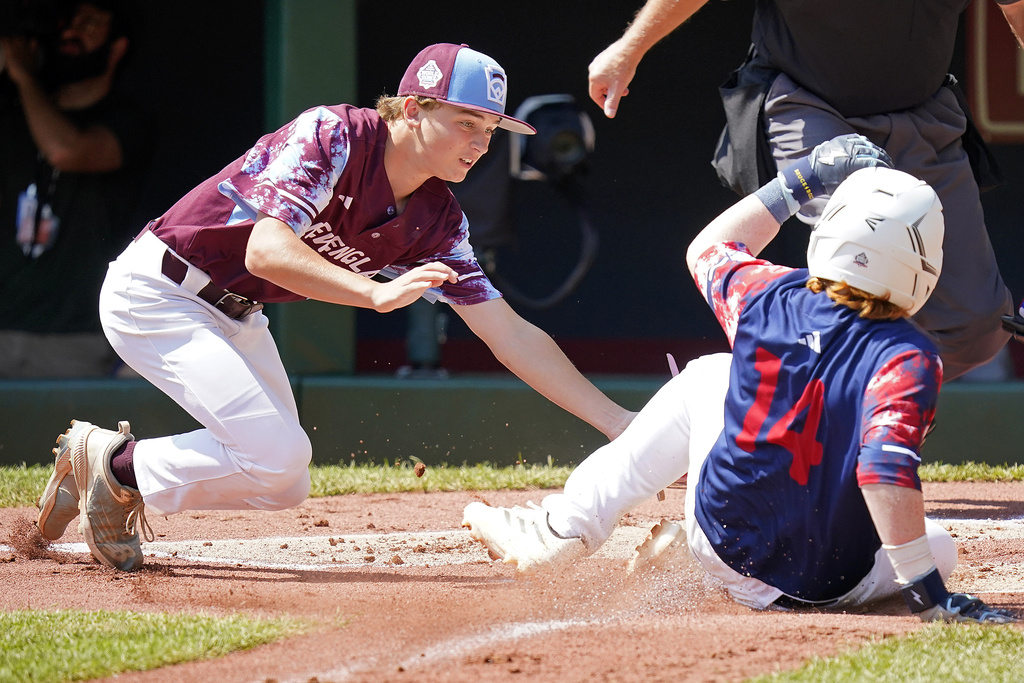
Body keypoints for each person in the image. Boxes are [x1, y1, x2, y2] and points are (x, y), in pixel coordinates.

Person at [34, 43, 637, 571]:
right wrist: (372, 293)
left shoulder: (438, 220)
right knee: (279, 453)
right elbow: (266, 249)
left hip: (234, 311)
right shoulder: (336, 135)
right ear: (411, 109)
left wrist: (622, 427)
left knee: (285, 484)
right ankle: (115, 467)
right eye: (467, 122)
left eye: (491, 130)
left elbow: (510, 334)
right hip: (159, 290)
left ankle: (118, 471)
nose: (481, 144)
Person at [463, 134, 1019, 623]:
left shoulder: (767, 294)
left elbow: (707, 248)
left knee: (712, 375)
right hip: (833, 582)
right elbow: (882, 469)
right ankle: (684, 562)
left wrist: (801, 179)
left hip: (727, 551)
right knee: (937, 547)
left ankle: (565, 528)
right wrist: (927, 590)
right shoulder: (913, 356)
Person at [586, 0, 1024, 381]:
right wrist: (630, 48)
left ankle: (827, 399)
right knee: (863, 273)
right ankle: (773, 421)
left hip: (922, 113)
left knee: (977, 327)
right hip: (809, 101)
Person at [0, 0, 154, 377]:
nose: (70, 33)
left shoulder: (129, 121)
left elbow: (67, 151)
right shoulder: (9, 115)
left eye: (89, 24)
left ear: (117, 47)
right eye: (66, 23)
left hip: (73, 336)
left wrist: (22, 74)